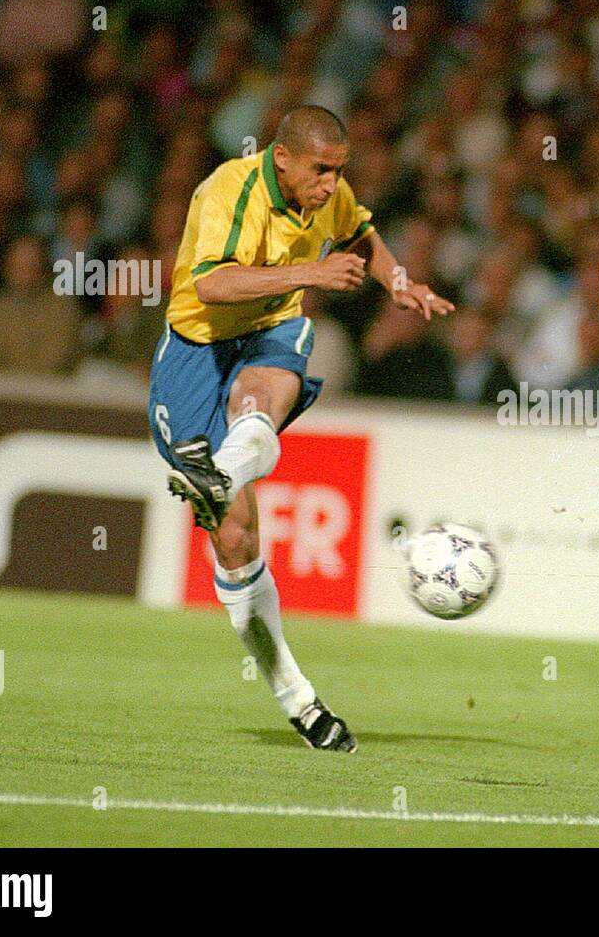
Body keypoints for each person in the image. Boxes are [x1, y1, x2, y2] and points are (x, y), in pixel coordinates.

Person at [149, 105, 453, 751]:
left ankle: (220, 472)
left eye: (339, 171)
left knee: (261, 404)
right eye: (321, 170)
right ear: (282, 157)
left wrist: (400, 282)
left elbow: (362, 233)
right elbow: (210, 285)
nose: (331, 185)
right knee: (235, 541)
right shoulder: (228, 189)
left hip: (266, 331)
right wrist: (310, 273)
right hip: (196, 350)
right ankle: (295, 691)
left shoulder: (329, 193)